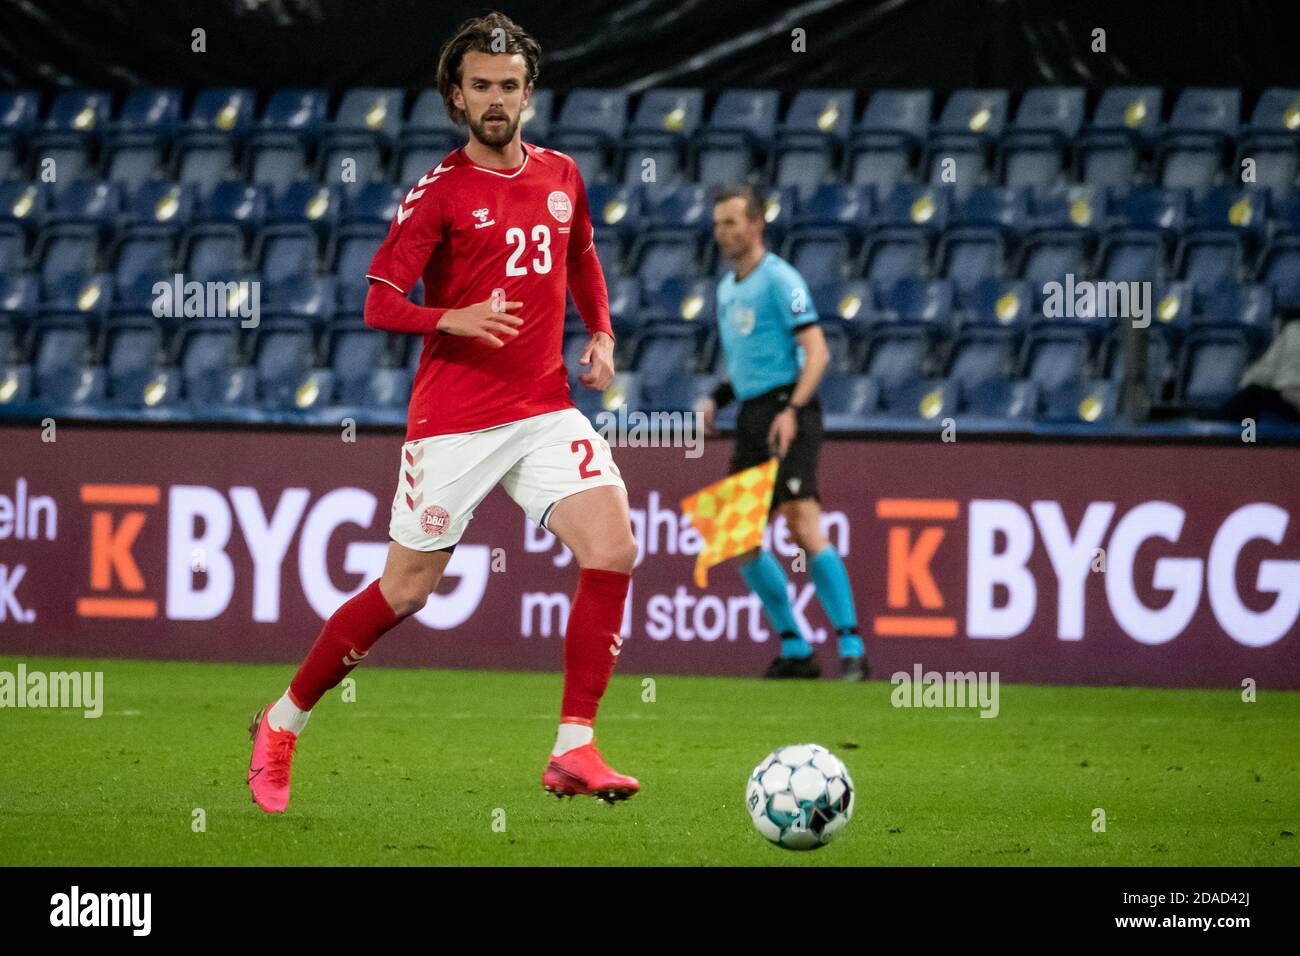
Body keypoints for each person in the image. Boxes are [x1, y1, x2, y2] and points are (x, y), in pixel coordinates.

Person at [247, 12, 640, 813]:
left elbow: (582, 255)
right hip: (456, 419)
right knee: (404, 592)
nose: (497, 99)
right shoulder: (439, 193)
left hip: (543, 408)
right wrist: (448, 319)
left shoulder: (563, 173)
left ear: (528, 92)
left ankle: (574, 747)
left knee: (614, 547)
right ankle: (282, 721)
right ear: (456, 97)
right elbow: (378, 301)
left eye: (509, 85)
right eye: (480, 87)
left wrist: (598, 330)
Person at [696, 186, 867, 681]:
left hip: (790, 408)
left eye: (731, 222)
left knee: (800, 521)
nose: (722, 232)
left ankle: (852, 648)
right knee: (735, 537)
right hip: (752, 413)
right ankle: (796, 648)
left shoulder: (781, 280)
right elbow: (748, 360)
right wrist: (717, 398)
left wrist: (792, 408)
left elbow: (817, 352)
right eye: (717, 223)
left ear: (756, 225)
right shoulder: (728, 287)